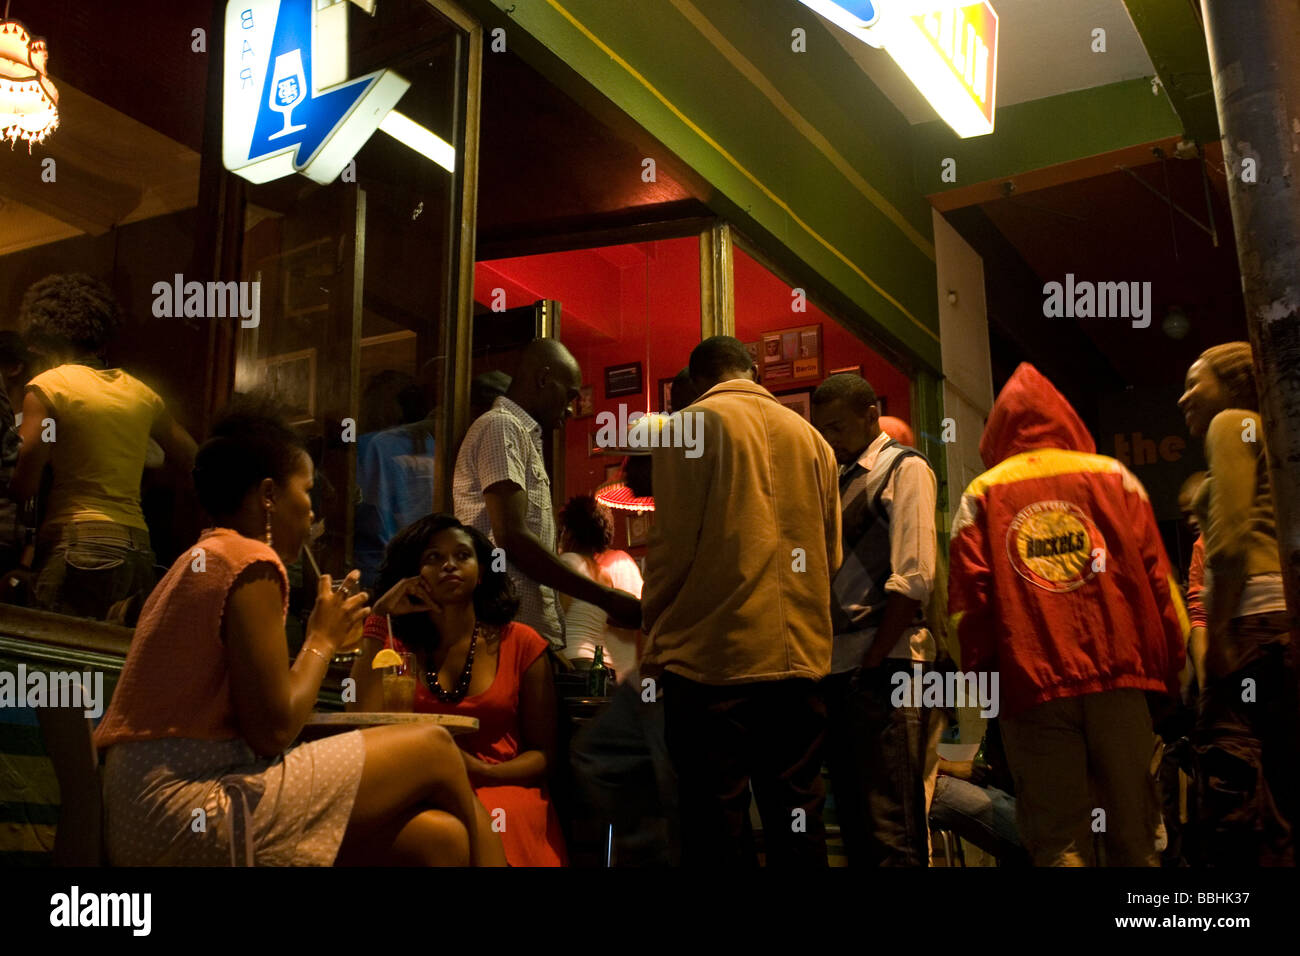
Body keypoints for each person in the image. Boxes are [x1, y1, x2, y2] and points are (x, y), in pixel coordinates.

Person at [93, 400, 504, 866]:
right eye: (307, 492)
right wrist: (322, 640)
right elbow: (273, 730)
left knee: (439, 838)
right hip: (185, 803)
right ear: (269, 494)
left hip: (139, 810)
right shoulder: (250, 562)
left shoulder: (203, 557)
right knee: (434, 746)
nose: (311, 514)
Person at [948, 362, 1187, 866]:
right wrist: (1171, 674)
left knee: (1057, 838)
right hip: (1122, 684)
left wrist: (991, 689)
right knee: (1135, 831)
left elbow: (968, 609)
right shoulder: (1115, 478)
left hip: (1032, 690)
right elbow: (1160, 584)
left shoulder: (983, 493)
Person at [642, 335, 841, 866]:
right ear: (755, 371)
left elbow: (671, 550)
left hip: (714, 663)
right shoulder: (814, 440)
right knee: (798, 817)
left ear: (697, 378)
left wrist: (651, 625)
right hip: (799, 662)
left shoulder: (690, 427)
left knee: (717, 823)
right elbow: (831, 555)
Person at [349, 513, 566, 866]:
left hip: (502, 786)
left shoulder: (522, 643)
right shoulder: (397, 647)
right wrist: (379, 614)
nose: (449, 564)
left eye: (462, 556)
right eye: (433, 557)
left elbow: (543, 755)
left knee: (492, 817)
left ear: (481, 573)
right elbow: (362, 722)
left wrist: (483, 771)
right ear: (413, 576)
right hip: (421, 786)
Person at [8, 274, 196, 619]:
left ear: (43, 337)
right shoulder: (141, 393)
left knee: (61, 660)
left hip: (76, 542)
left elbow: (25, 484)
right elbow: (197, 462)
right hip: (139, 547)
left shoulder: (48, 387)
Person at [810, 373, 939, 866]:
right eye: (823, 430)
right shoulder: (841, 479)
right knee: (859, 824)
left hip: (891, 664)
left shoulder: (903, 468)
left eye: (838, 427)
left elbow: (914, 575)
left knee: (892, 825)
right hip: (847, 668)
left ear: (871, 416)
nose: (831, 440)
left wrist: (875, 658)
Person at [1178, 342, 1298, 866]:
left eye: (1194, 382)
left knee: (1234, 811)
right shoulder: (1275, 434)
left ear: (1233, 386)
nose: (1183, 397)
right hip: (1283, 628)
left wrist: (1221, 634)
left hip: (1247, 627)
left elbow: (1226, 546)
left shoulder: (1232, 423)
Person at [452, 338, 640, 649]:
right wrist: (605, 597)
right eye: (569, 396)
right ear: (542, 379)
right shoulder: (502, 427)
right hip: (503, 632)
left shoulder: (522, 436)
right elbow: (512, 536)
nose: (569, 409)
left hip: (524, 633)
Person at [354, 370, 436, 589]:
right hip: (426, 568)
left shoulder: (368, 445)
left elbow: (362, 511)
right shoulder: (435, 444)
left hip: (375, 570)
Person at [557, 495, 644, 683]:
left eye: (562, 531)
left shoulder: (566, 564)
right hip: (604, 665)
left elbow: (558, 619)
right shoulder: (604, 575)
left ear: (569, 533)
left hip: (572, 660)